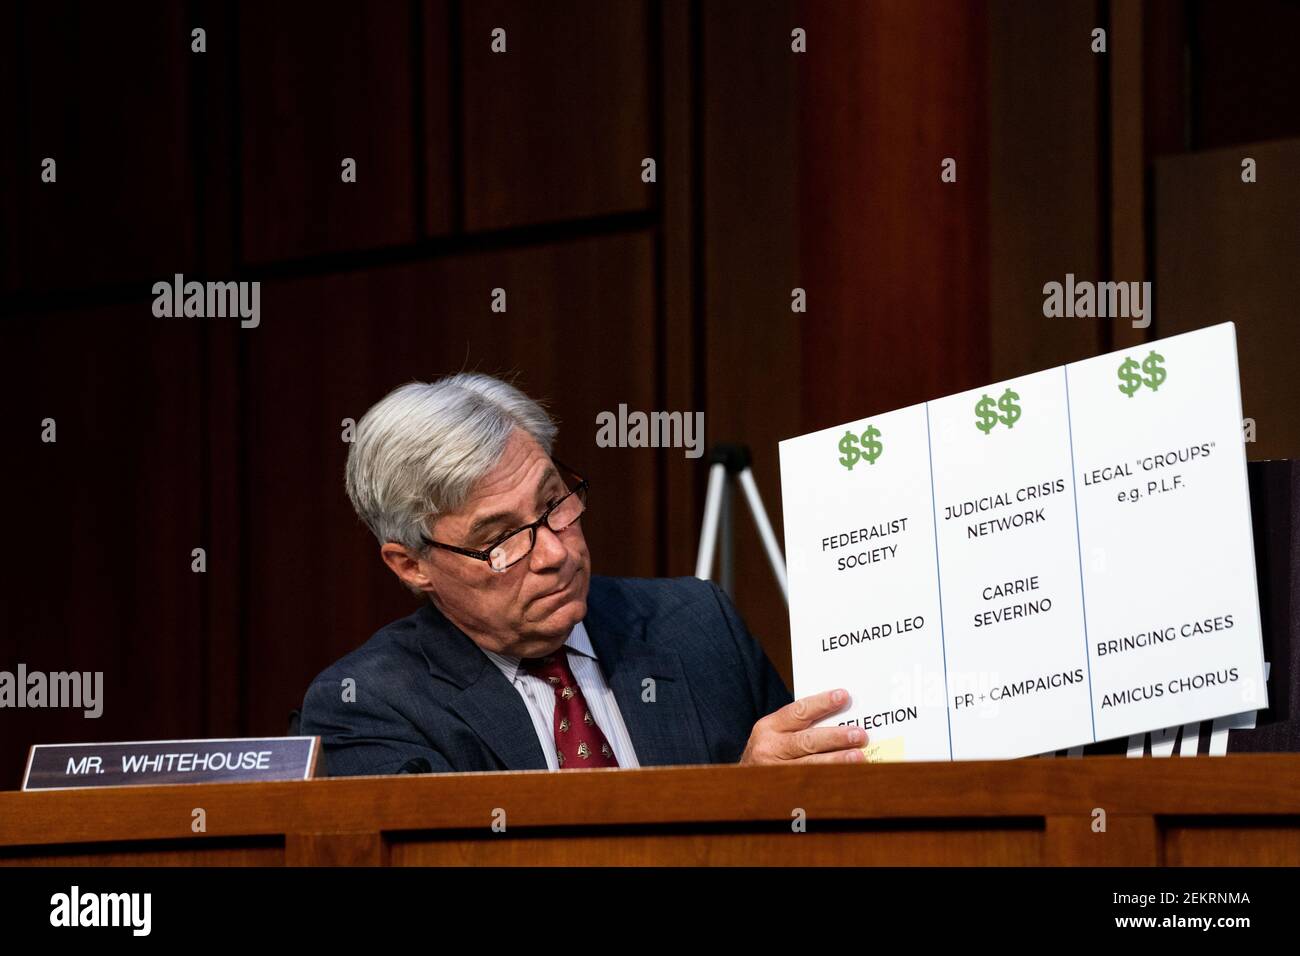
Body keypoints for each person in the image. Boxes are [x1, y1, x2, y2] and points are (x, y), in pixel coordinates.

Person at [299, 373, 869, 774]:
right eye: (500, 539)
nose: (553, 553)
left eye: (554, 505)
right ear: (412, 565)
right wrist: (739, 811)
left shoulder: (699, 624)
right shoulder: (368, 706)